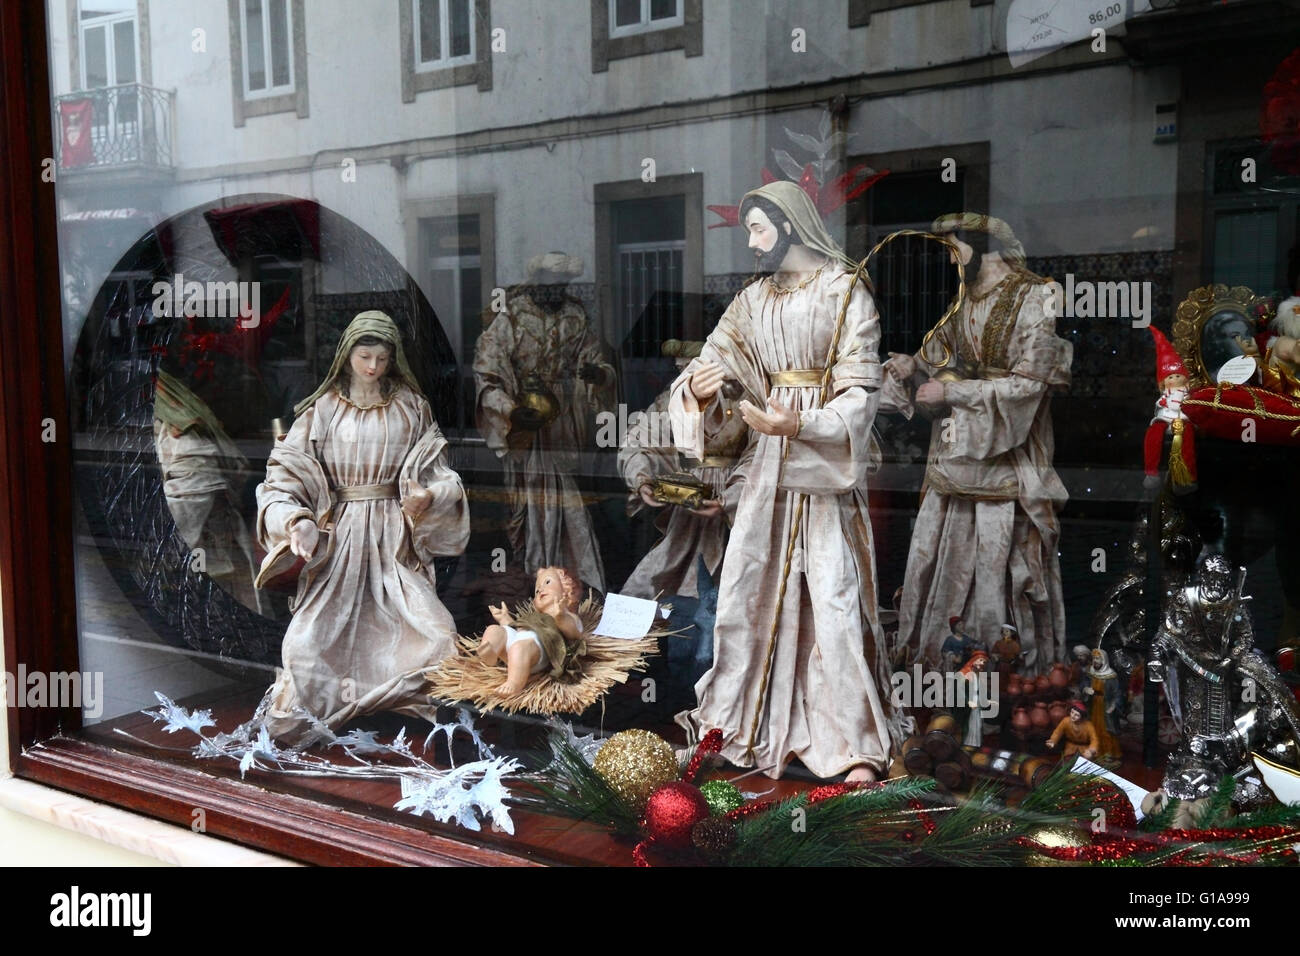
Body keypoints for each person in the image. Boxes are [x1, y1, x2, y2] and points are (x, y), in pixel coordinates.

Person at [667, 180, 900, 782]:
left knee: (833, 601)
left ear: (789, 226)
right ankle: (735, 726)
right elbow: (711, 360)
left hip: (820, 468)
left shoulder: (846, 292)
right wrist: (696, 390)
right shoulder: (752, 302)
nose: (750, 243)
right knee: (751, 591)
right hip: (770, 469)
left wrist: (798, 421)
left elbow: (861, 393)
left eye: (758, 229)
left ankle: (852, 745)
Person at [254, 311, 469, 741]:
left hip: (394, 544)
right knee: (304, 647)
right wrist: (297, 521)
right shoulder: (323, 410)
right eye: (365, 355)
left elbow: (441, 473)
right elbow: (281, 478)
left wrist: (429, 496)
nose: (373, 366)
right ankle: (329, 710)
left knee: (440, 637)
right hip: (341, 542)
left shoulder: (411, 408)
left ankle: (418, 712)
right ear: (346, 354)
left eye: (383, 358)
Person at [881, 213, 1071, 676]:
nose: (950, 259)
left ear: (982, 245)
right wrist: (914, 366)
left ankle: (1005, 668)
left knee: (1000, 558)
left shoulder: (1037, 296)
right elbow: (940, 357)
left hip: (1007, 453)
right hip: (955, 453)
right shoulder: (965, 297)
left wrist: (953, 392)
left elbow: (1030, 386)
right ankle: (942, 664)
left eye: (954, 248)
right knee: (945, 547)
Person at [472, 252, 615, 592]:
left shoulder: (575, 316)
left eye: (561, 285)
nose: (555, 291)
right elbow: (487, 369)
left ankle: (570, 576)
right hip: (525, 422)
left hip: (564, 423)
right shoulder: (511, 318)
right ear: (536, 282)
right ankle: (532, 572)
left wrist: (597, 375)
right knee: (527, 499)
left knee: (566, 497)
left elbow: (596, 361)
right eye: (549, 284)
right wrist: (510, 410)